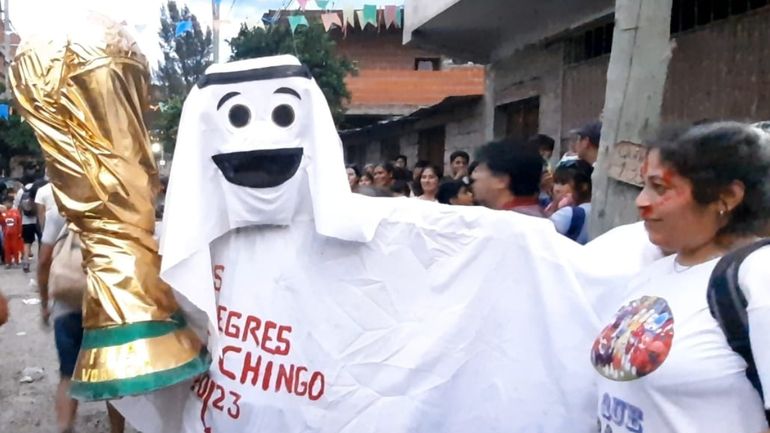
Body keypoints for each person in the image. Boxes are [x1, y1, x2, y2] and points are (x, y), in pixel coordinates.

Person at [591, 122, 770, 433]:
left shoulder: (757, 276)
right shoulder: (650, 274)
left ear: (727, 196)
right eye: (644, 185)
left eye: (660, 188)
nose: (641, 201)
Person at [38, 208, 125, 433]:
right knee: (111, 374)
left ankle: (65, 425)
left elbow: (44, 260)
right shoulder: (110, 206)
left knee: (68, 373)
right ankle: (117, 430)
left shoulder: (57, 212)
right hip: (104, 305)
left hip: (66, 304)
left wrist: (44, 302)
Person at [471, 139, 546, 217]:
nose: (473, 175)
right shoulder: (540, 217)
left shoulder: (504, 221)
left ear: (501, 181)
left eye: (480, 169)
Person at [548, 160, 593, 244]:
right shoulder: (596, 209)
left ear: (583, 186)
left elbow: (540, 235)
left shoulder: (568, 213)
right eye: (556, 182)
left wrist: (555, 207)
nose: (556, 189)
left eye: (563, 183)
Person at [1, 197, 23, 268]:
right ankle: (8, 262)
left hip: (15, 233)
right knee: (7, 247)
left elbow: (19, 222)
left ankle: (16, 261)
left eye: (7, 203)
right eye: (5, 204)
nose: (6, 205)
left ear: (11, 203)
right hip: (6, 233)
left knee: (15, 247)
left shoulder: (15, 212)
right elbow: (2, 222)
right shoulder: (3, 213)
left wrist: (20, 232)